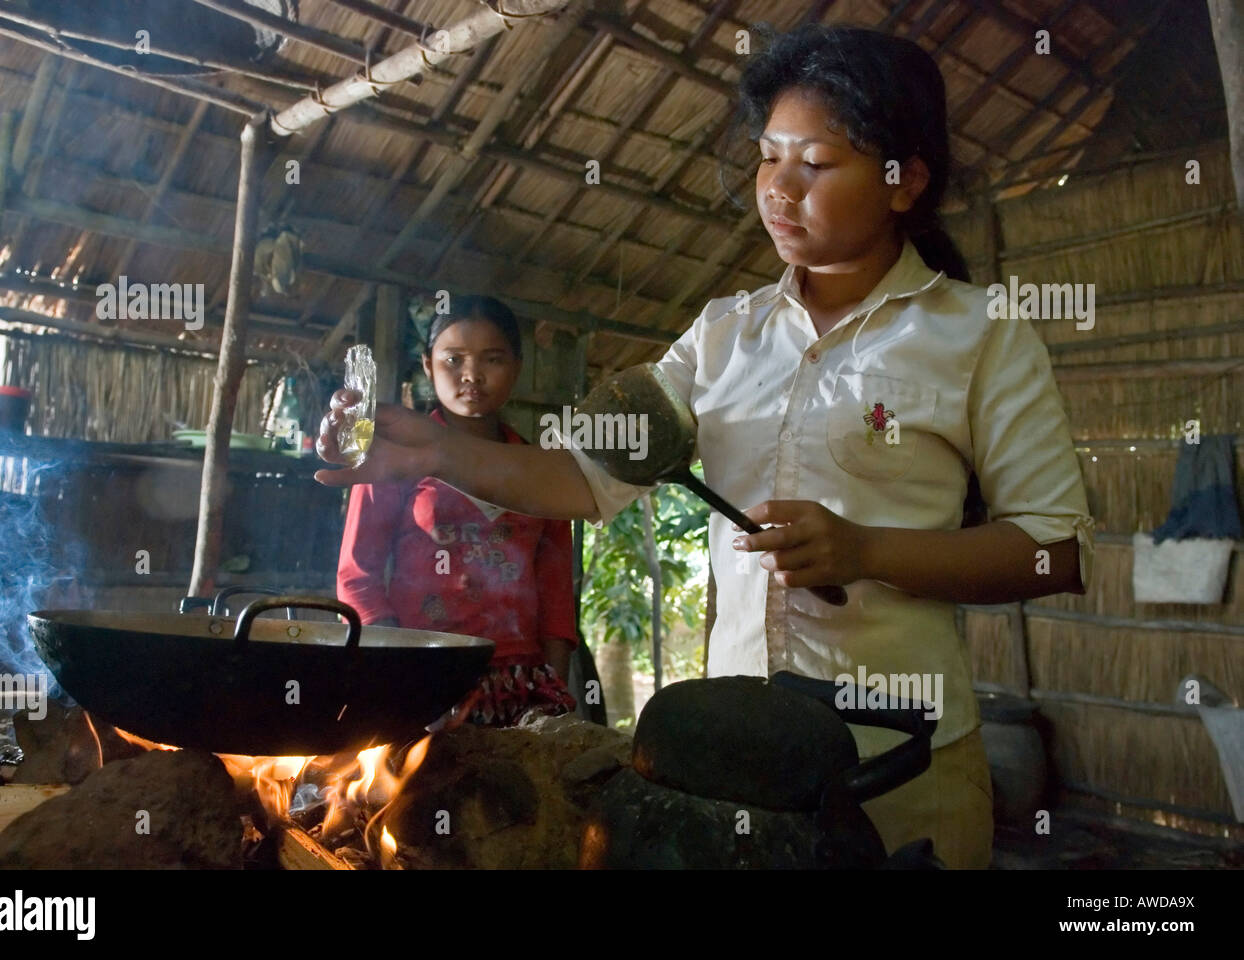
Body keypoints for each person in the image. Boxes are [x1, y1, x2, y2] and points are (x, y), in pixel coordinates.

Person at [316, 25, 1094, 868]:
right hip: (735, 775)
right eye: (768, 158)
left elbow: (1055, 551)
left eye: (816, 165)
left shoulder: (979, 337)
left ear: (904, 182)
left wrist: (866, 549)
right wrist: (432, 453)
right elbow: (583, 476)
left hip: (904, 764)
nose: (778, 190)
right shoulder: (724, 334)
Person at [335, 295, 578, 727]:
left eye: (493, 359)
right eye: (454, 359)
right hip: (423, 674)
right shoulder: (395, 459)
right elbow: (357, 577)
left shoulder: (544, 471)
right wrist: (399, 671)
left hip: (521, 685)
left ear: (517, 368)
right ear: (429, 366)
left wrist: (554, 689)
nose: (472, 375)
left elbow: (556, 591)